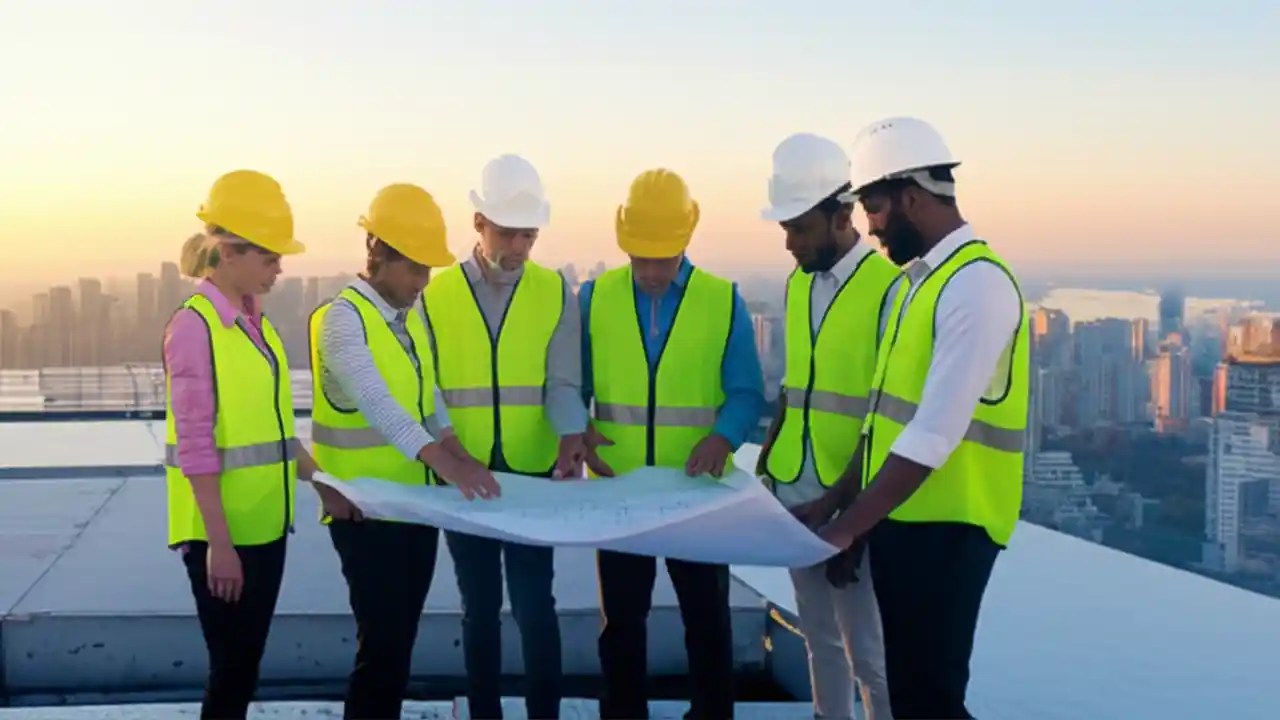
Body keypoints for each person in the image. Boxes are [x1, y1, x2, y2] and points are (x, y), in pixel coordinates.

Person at [810, 117, 1029, 720]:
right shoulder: (914, 286)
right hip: (905, 519)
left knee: (931, 698)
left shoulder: (975, 286)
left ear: (911, 197)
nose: (870, 224)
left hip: (953, 528)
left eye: (874, 206)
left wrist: (848, 525)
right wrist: (842, 502)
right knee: (910, 694)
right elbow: (881, 418)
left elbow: (934, 432)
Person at [308, 183, 502, 719]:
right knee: (382, 646)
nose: (424, 282)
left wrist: (459, 454)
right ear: (381, 256)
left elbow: (426, 397)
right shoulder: (343, 319)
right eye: (415, 269)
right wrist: (446, 466)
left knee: (399, 646)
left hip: (414, 508)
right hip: (366, 512)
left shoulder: (408, 314)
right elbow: (380, 404)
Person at [580, 168, 767, 720]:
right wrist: (578, 426)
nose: (653, 271)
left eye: (663, 257)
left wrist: (723, 436)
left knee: (707, 617)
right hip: (621, 490)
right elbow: (574, 386)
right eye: (642, 258)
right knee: (621, 622)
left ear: (687, 240)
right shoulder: (595, 297)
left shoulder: (720, 300)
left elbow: (745, 392)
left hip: (696, 491)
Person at [421, 154, 590, 720]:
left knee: (536, 606)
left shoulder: (552, 290)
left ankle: (545, 714)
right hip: (462, 474)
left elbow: (563, 381)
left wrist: (571, 436)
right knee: (479, 609)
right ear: (478, 223)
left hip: (533, 471)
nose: (519, 247)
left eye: (530, 235)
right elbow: (429, 389)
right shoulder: (436, 294)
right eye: (509, 233)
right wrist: (451, 455)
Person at [164, 169, 321, 720]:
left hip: (265, 526)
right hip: (224, 536)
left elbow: (277, 434)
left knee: (243, 669)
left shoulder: (258, 325)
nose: (280, 268)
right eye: (271, 257)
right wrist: (219, 545)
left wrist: (324, 483)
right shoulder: (195, 327)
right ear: (229, 253)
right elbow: (196, 445)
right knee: (231, 675)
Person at [756, 133, 898, 720]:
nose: (789, 243)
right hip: (794, 490)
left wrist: (856, 519)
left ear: (843, 216)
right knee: (818, 637)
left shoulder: (888, 289)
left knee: (870, 652)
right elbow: (796, 385)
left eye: (801, 228)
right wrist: (767, 458)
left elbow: (888, 414)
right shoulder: (798, 284)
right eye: (785, 228)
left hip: (852, 498)